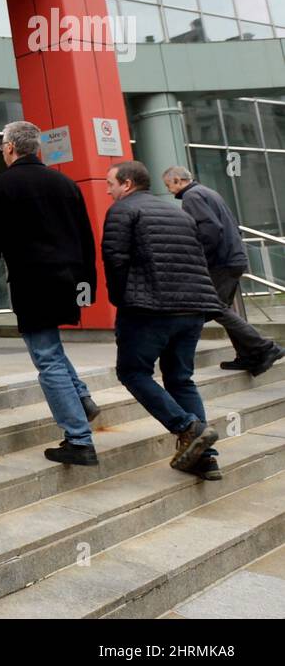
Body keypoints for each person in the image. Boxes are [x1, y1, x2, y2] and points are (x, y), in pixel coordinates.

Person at [0, 121, 102, 466]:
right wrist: (86, 288)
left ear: (12, 148)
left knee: (45, 356)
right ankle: (83, 399)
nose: (2, 151)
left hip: (34, 285)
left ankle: (79, 440)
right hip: (68, 282)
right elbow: (86, 240)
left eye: (2, 146)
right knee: (51, 347)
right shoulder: (65, 184)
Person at [103, 161, 225, 480]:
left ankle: (187, 427)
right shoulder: (178, 211)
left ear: (127, 184)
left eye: (110, 183)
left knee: (133, 371)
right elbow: (199, 254)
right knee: (180, 378)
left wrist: (121, 300)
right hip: (192, 308)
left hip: (149, 309)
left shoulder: (122, 210)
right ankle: (205, 457)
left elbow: (115, 259)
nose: (107, 189)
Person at [162, 166, 285, 377]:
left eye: (168, 185)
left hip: (221, 262)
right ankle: (249, 355)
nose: (169, 190)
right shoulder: (209, 192)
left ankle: (265, 347)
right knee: (221, 308)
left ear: (178, 180)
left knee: (215, 308)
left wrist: (200, 259)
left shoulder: (192, 196)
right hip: (232, 258)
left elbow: (210, 229)